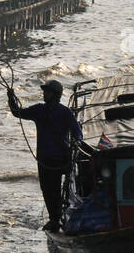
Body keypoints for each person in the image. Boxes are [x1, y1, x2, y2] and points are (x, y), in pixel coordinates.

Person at [8, 79, 84, 233]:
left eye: (47, 91)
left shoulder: (63, 112)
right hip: (45, 159)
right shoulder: (39, 110)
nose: (44, 93)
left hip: (58, 158)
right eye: (44, 91)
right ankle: (53, 218)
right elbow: (18, 113)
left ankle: (55, 219)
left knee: (54, 189)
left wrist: (77, 142)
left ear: (55, 94)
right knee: (46, 188)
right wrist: (11, 98)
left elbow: (77, 132)